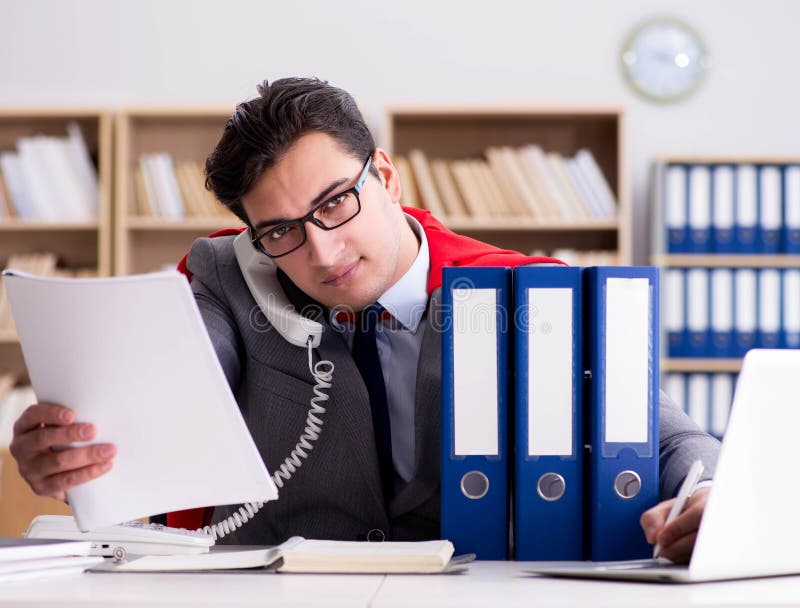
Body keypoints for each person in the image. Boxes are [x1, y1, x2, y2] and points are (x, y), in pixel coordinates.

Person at [9, 77, 719, 562]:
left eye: (335, 202)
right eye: (280, 231)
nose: (322, 249)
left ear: (384, 175)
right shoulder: (228, 278)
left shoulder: (523, 292)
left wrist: (709, 495)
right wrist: (86, 445)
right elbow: (180, 378)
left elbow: (664, 437)